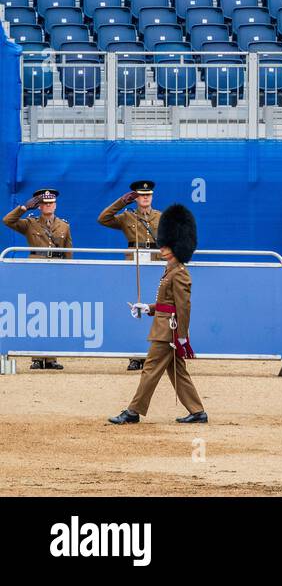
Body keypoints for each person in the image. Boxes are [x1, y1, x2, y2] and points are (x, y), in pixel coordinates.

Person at [109, 205, 206, 425]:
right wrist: (147, 308)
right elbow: (167, 303)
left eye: (167, 244)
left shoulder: (179, 273)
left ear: (176, 246)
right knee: (177, 372)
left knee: (150, 370)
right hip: (166, 327)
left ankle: (133, 411)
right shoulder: (171, 270)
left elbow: (183, 307)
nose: (162, 247)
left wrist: (182, 336)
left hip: (167, 331)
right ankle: (197, 410)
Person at [4, 188, 73, 369]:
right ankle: (36, 357)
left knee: (56, 313)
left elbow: (69, 252)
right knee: (37, 313)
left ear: (55, 205)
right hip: (36, 269)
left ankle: (51, 358)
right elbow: (7, 221)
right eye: (44, 203)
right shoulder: (30, 223)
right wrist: (24, 208)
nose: (48, 206)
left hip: (57, 270)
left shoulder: (64, 226)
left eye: (51, 203)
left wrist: (70, 273)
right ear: (39, 206)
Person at [98, 180, 162, 371]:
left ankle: (152, 353)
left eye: (148, 195)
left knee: (152, 304)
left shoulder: (161, 216)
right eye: (141, 195)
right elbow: (103, 219)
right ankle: (134, 355)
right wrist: (122, 202)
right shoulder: (127, 216)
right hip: (133, 262)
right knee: (134, 305)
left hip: (156, 261)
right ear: (135, 197)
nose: (145, 197)